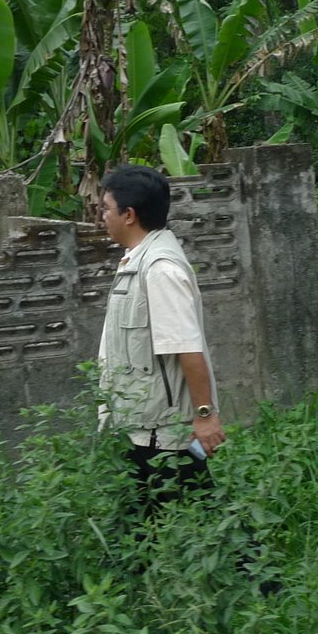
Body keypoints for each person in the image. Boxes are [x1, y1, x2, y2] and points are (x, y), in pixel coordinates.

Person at [96, 164, 224, 505]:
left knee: (185, 513)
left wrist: (205, 417)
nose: (101, 217)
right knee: (163, 519)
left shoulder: (160, 270)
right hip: (144, 426)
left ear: (129, 215)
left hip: (163, 433)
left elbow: (187, 348)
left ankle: (244, 559)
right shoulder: (137, 261)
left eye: (106, 208)